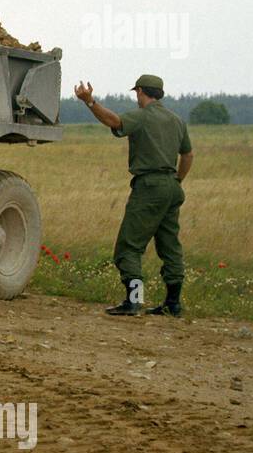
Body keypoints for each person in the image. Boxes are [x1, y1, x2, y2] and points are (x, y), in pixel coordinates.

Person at [73, 74, 194, 316]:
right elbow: (188, 155)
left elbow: (114, 121)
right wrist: (177, 180)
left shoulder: (142, 116)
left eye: (136, 93)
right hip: (172, 187)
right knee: (170, 246)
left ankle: (134, 300)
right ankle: (173, 304)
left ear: (140, 91)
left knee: (129, 246)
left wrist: (89, 102)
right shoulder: (177, 120)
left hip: (149, 187)